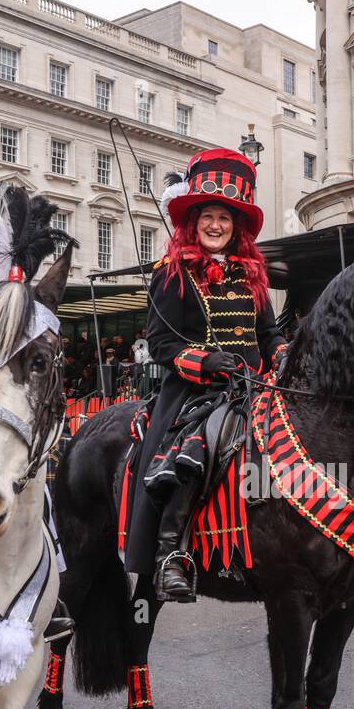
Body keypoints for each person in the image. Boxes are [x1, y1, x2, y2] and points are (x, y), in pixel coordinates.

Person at [124, 147, 287, 602]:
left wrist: (284, 351)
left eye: (226, 218)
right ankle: (172, 554)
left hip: (254, 387)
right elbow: (160, 344)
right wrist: (205, 360)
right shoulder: (171, 274)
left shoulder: (252, 274)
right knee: (203, 442)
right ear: (193, 222)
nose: (216, 225)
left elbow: (268, 333)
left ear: (237, 228)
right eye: (208, 216)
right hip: (198, 391)